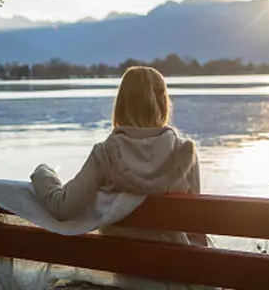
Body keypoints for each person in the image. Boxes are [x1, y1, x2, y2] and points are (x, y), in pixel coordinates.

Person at [30, 66, 207, 248]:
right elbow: (196, 226)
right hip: (175, 268)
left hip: (122, 270)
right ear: (163, 103)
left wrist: (43, 173)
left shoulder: (105, 154)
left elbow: (63, 208)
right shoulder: (184, 154)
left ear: (122, 103)